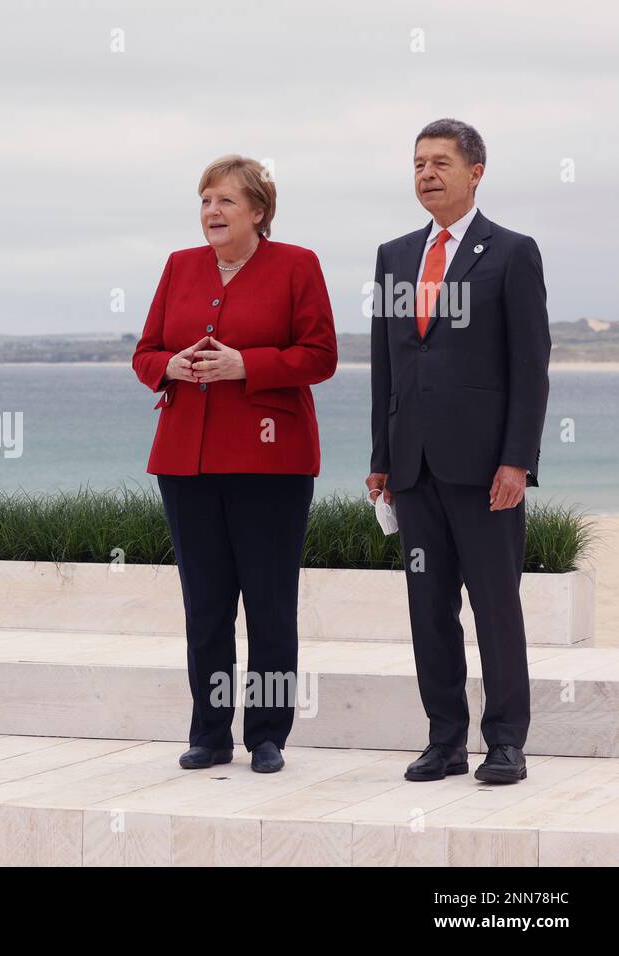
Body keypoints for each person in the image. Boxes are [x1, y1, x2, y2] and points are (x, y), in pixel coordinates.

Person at [133, 155, 337, 773]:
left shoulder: (297, 265)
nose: (211, 213)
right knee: (207, 604)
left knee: (270, 603)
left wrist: (247, 365)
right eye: (205, 201)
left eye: (225, 202)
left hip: (271, 463)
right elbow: (146, 353)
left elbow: (321, 355)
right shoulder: (179, 266)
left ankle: (268, 734)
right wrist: (171, 366)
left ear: (258, 212)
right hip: (186, 462)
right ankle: (209, 732)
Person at [367, 119, 550, 785]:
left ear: (476, 171)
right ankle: (445, 740)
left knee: (495, 605)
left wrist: (517, 459)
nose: (426, 174)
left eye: (440, 162)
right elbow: (388, 365)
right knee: (428, 607)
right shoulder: (393, 256)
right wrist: (381, 456)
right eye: (418, 163)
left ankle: (505, 742)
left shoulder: (512, 252)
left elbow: (531, 366)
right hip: (413, 468)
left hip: (484, 471)